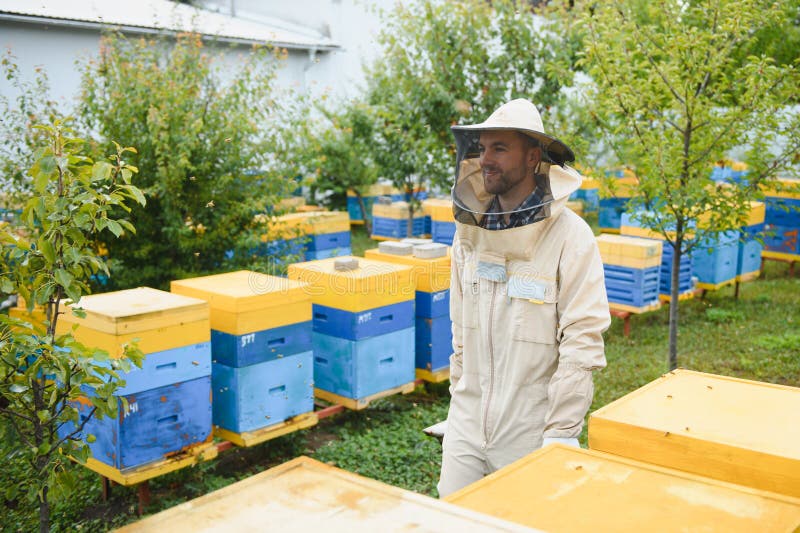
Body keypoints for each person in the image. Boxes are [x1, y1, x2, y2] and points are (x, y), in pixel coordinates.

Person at [438, 98, 610, 497]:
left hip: (531, 431)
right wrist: (458, 398)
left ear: (533, 156)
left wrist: (561, 431)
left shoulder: (571, 236)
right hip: (466, 423)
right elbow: (460, 327)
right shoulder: (468, 234)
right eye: (481, 148)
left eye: (500, 148)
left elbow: (582, 340)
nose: (486, 160)